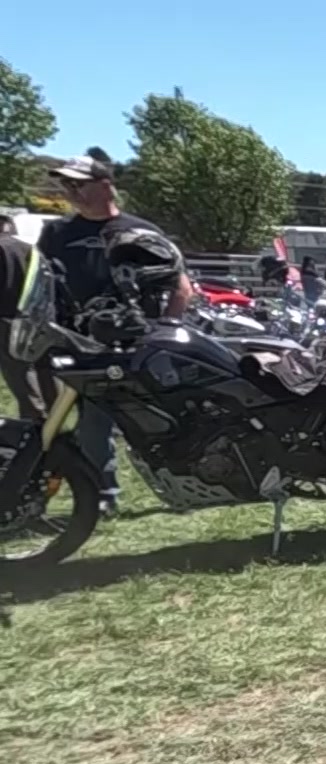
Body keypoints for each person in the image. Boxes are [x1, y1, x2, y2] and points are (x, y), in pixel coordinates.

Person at [36, 156, 192, 514]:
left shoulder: (140, 231)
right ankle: (103, 494)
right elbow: (42, 283)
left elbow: (181, 286)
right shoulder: (57, 235)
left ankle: (186, 486)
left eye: (78, 184)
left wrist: (166, 329)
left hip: (141, 343)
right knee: (93, 422)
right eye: (66, 185)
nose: (70, 191)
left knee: (160, 419)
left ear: (106, 185)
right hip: (83, 342)